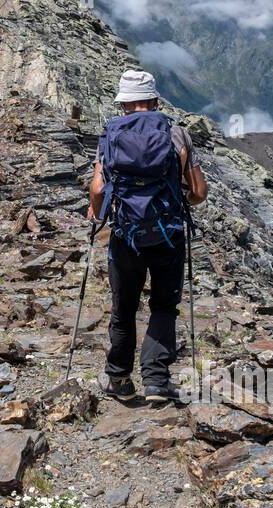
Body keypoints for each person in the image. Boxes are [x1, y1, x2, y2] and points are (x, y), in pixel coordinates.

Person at [88, 69, 208, 403]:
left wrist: (97, 215)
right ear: (154, 100)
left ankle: (119, 380)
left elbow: (98, 188)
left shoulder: (110, 135)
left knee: (123, 307)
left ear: (124, 104)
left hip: (126, 236)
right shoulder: (178, 135)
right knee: (164, 305)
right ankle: (156, 381)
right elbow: (198, 192)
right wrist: (178, 200)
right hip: (167, 235)